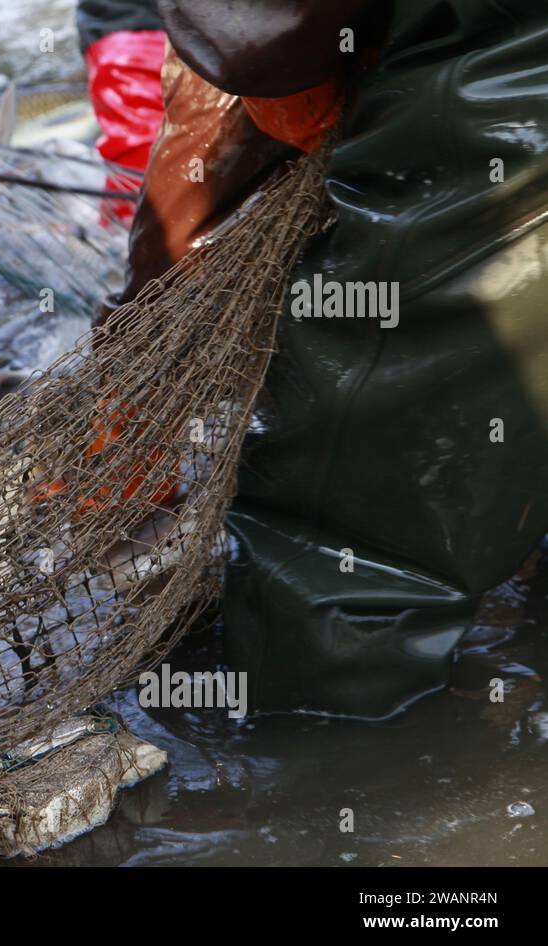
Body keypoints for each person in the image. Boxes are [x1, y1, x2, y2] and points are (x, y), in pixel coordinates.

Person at [87, 0, 548, 718]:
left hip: (503, 78)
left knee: (355, 539)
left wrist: (265, 57)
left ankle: (308, 748)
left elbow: (257, 38)